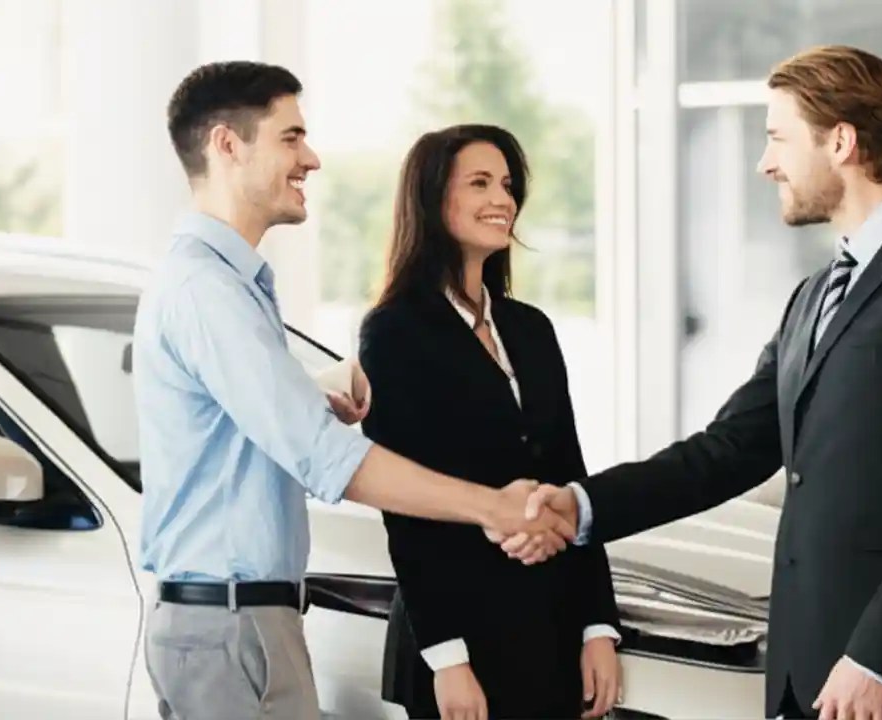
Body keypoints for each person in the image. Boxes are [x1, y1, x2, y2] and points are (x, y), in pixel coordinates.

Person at [514, 45, 882, 720]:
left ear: (840, 141)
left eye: (778, 137)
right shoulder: (813, 296)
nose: (766, 162)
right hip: (810, 670)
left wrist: (879, 656)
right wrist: (583, 507)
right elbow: (726, 450)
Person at [133, 61, 575, 720]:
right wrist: (495, 508)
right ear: (228, 145)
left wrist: (311, 390)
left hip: (245, 624)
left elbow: (233, 426)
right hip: (229, 628)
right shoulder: (207, 292)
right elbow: (327, 460)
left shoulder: (225, 287)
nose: (309, 158)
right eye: (290, 137)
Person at [358, 124, 623, 720]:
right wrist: (448, 660)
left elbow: (570, 474)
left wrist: (597, 627)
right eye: (479, 183)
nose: (502, 199)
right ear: (432, 199)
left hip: (549, 631)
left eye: (507, 184)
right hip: (459, 644)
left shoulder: (531, 329)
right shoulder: (394, 332)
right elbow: (404, 504)